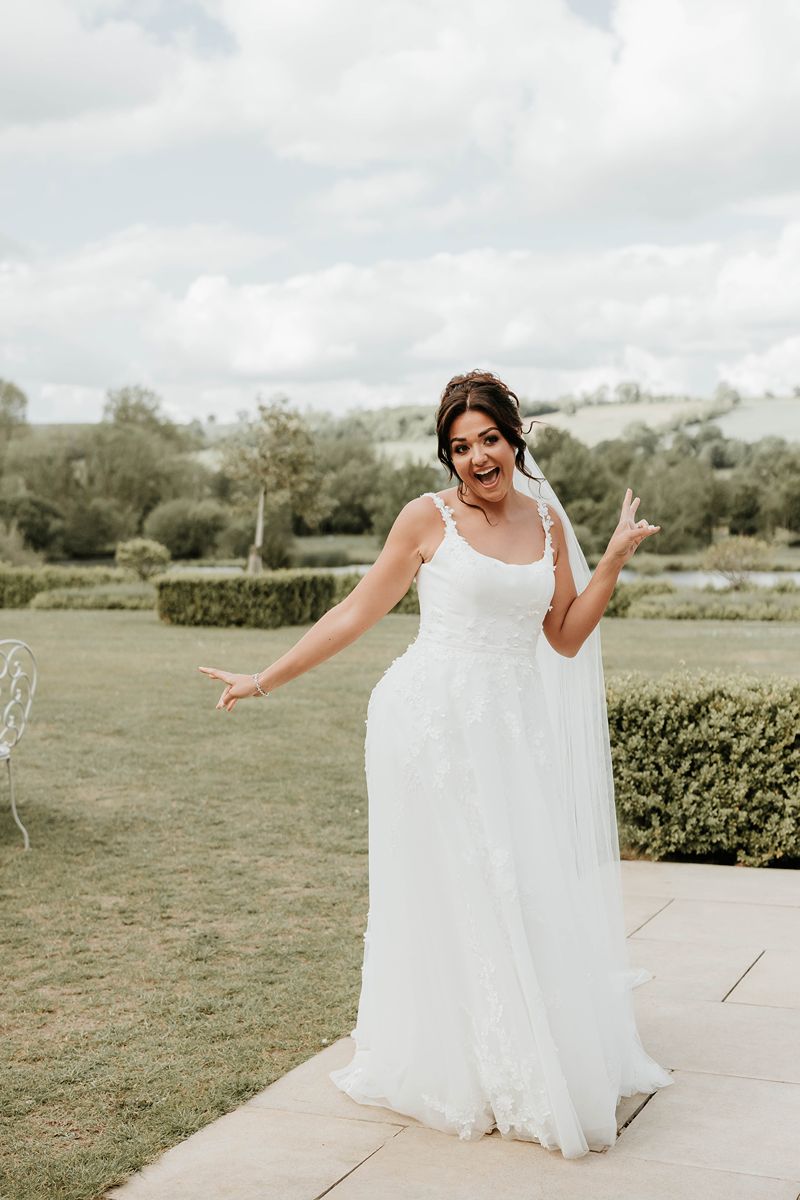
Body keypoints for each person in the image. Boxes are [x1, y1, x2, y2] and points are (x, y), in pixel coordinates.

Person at [199, 369, 673, 1159]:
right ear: (447, 456)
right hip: (428, 725)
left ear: (513, 440)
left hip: (511, 729)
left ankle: (519, 1047)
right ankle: (458, 1061)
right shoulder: (427, 518)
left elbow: (563, 635)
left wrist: (614, 558)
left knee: (517, 880)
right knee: (459, 885)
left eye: (488, 439)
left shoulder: (546, 521)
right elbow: (358, 610)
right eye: (459, 447)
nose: (477, 458)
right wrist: (263, 678)